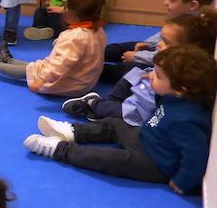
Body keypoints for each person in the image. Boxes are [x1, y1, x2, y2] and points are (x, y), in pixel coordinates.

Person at [25, 45, 216, 195]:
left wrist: (183, 181)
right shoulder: (175, 98)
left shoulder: (187, 120)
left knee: (104, 159)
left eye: (157, 76)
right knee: (114, 124)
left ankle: (59, 149)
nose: (150, 76)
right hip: (144, 139)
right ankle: (73, 132)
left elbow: (195, 156)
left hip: (154, 163)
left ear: (181, 88)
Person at [62, 8, 217, 125]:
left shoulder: (186, 74)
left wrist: (143, 65)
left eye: (167, 42)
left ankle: (93, 103)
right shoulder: (168, 55)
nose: (160, 46)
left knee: (118, 94)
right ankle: (107, 99)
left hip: (138, 105)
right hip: (142, 84)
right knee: (131, 73)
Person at [0, 0, 106, 97]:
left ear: (72, 13)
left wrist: (41, 80)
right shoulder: (98, 30)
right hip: (85, 80)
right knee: (38, 66)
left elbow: (60, 66)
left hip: (71, 84)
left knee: (34, 71)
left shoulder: (75, 38)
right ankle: (8, 60)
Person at [100, 0, 215, 82]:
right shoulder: (181, 19)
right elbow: (161, 37)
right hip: (156, 50)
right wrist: (147, 45)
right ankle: (95, 54)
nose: (165, 2)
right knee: (122, 47)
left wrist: (137, 56)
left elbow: (169, 55)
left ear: (192, 5)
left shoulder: (194, 30)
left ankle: (96, 71)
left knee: (128, 70)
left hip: (163, 62)